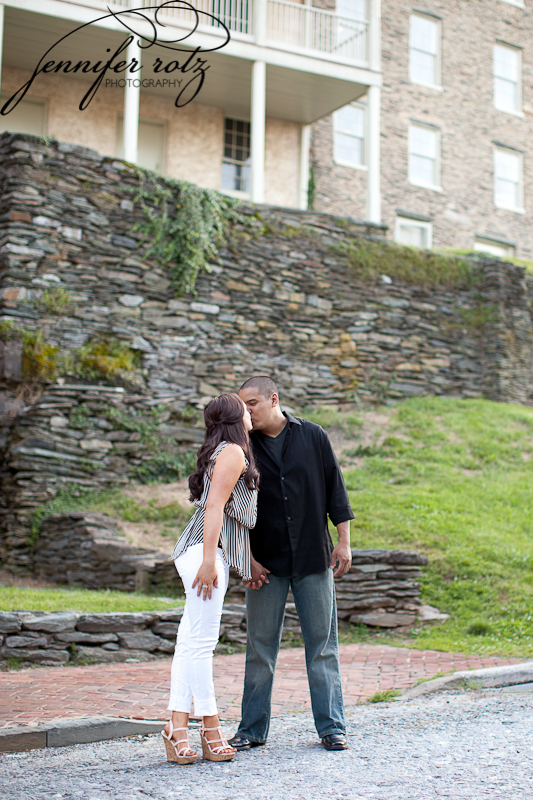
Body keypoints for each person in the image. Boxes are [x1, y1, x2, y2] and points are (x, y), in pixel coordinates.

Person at [229, 376, 354, 752]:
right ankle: (252, 729)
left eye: (251, 403)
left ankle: (332, 727)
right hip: (264, 565)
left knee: (322, 647)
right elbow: (232, 508)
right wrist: (246, 560)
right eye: (241, 405)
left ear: (273, 399)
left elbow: (336, 488)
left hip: (314, 557)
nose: (245, 411)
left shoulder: (313, 436)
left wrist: (344, 541)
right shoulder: (241, 448)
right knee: (260, 649)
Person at [162, 393, 260, 765]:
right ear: (237, 419)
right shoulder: (233, 451)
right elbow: (215, 508)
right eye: (245, 409)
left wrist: (242, 561)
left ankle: (177, 727)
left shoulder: (222, 451)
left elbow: (229, 515)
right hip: (204, 553)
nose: (251, 414)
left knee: (190, 642)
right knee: (202, 644)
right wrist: (208, 561)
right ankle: (211, 728)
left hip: (203, 551)